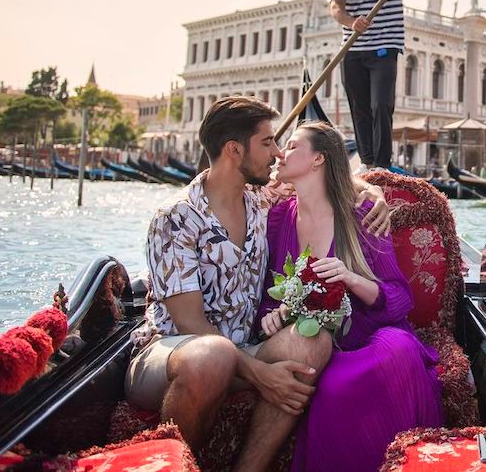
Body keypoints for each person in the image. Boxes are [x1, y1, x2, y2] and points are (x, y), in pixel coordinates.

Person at [124, 97, 391, 471]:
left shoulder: (260, 199)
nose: (277, 153)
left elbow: (327, 174)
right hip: (173, 353)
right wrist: (263, 376)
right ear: (234, 150)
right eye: (267, 142)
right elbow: (191, 327)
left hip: (245, 348)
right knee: (211, 355)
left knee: (312, 339)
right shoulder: (175, 217)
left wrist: (372, 191)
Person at [258, 121, 444, 472]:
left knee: (397, 351)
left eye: (294, 145)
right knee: (327, 383)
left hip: (370, 335)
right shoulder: (278, 219)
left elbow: (400, 297)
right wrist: (271, 314)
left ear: (318, 160)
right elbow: (269, 295)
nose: (281, 153)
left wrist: (351, 278)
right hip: (314, 344)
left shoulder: (362, 215)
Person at [330, 0, 431, 170]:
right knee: (360, 108)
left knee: (382, 104)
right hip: (353, 47)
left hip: (385, 47)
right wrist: (352, 22)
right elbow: (336, 8)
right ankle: (366, 162)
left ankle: (382, 164)